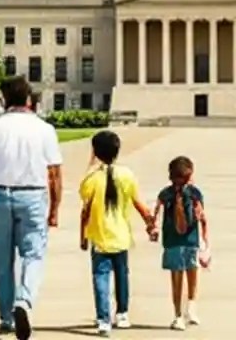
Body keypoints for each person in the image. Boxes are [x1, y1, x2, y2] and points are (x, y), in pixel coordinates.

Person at [0, 76, 64, 339]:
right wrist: (55, 208)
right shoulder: (44, 129)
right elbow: (55, 173)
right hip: (33, 195)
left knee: (2, 261)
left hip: (0, 194)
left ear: (4, 101)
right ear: (29, 100)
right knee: (33, 255)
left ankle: (6, 317)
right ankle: (23, 301)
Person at [78, 131, 157, 336]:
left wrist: (82, 236)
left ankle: (103, 319)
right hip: (121, 236)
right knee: (122, 275)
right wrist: (150, 221)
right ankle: (122, 313)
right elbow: (138, 203)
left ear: (95, 152)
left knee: (100, 277)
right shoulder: (126, 175)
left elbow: (85, 211)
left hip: (99, 237)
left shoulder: (92, 179)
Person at [153, 156, 209, 331]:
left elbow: (203, 217)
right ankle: (184, 311)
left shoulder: (180, 193)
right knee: (184, 276)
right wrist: (206, 242)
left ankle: (184, 310)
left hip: (181, 241)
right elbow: (202, 217)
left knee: (184, 276)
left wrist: (153, 229)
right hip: (182, 241)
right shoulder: (181, 193)